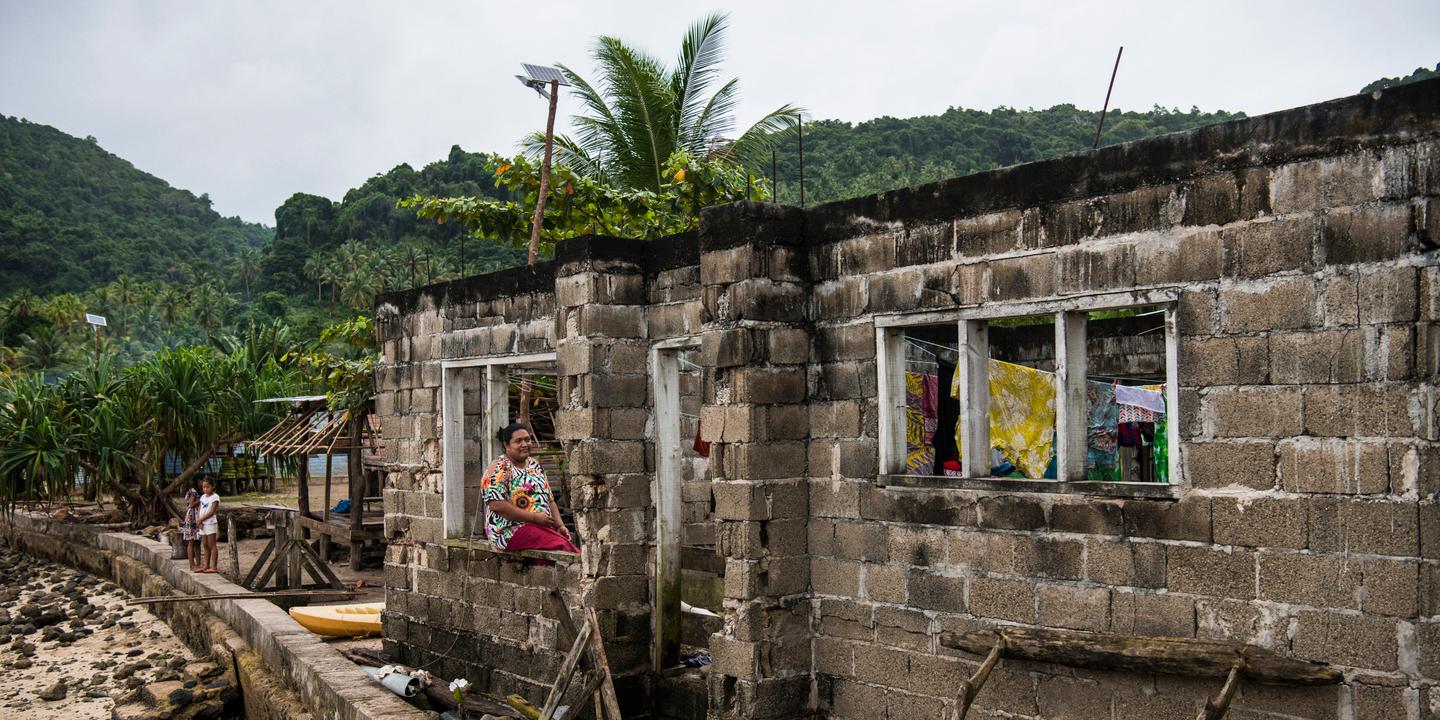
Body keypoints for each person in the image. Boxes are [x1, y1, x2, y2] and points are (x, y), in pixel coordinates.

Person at [481, 423, 577, 554]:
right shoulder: (499, 467)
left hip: (539, 527)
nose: (525, 444)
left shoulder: (534, 465)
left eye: (527, 439)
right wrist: (534, 518)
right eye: (518, 441)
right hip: (508, 531)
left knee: (562, 546)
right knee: (563, 546)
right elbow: (496, 505)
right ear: (506, 445)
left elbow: (549, 499)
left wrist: (560, 525)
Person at [196, 476, 221, 573]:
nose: (205, 489)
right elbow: (199, 509)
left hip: (210, 523)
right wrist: (198, 520)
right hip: (202, 524)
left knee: (212, 545)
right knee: (205, 545)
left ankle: (214, 567)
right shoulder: (203, 497)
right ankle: (206, 565)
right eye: (204, 487)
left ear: (213, 486)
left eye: (207, 487)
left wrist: (200, 520)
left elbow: (212, 511)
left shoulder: (215, 497)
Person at [180, 487, 201, 571]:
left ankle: (198, 564)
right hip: (192, 518)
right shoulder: (193, 491)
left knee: (197, 542)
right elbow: (191, 504)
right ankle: (192, 565)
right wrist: (200, 501)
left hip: (196, 518)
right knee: (191, 542)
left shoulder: (196, 492)